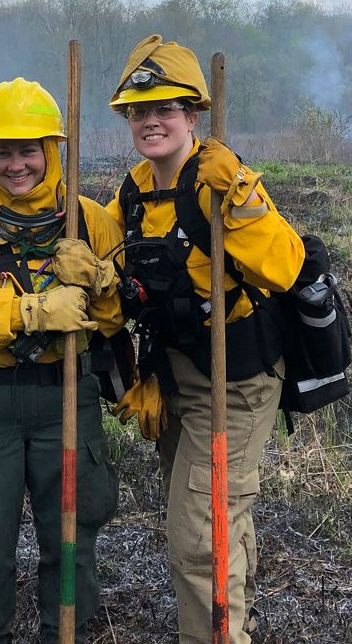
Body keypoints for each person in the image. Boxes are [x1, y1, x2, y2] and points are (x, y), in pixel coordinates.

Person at [104, 35, 305, 644]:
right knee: (212, 521)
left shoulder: (225, 182)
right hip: (173, 376)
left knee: (200, 535)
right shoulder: (134, 192)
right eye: (140, 111)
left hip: (234, 379)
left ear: (193, 114)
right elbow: (119, 278)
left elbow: (287, 265)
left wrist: (241, 198)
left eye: (166, 109)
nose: (151, 121)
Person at [0, 78, 124, 644]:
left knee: (71, 536)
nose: (17, 165)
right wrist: (36, 311)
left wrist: (101, 283)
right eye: (3, 152)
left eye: (29, 150)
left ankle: (68, 634)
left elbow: (115, 318)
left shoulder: (91, 220)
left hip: (66, 393)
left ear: (53, 152)